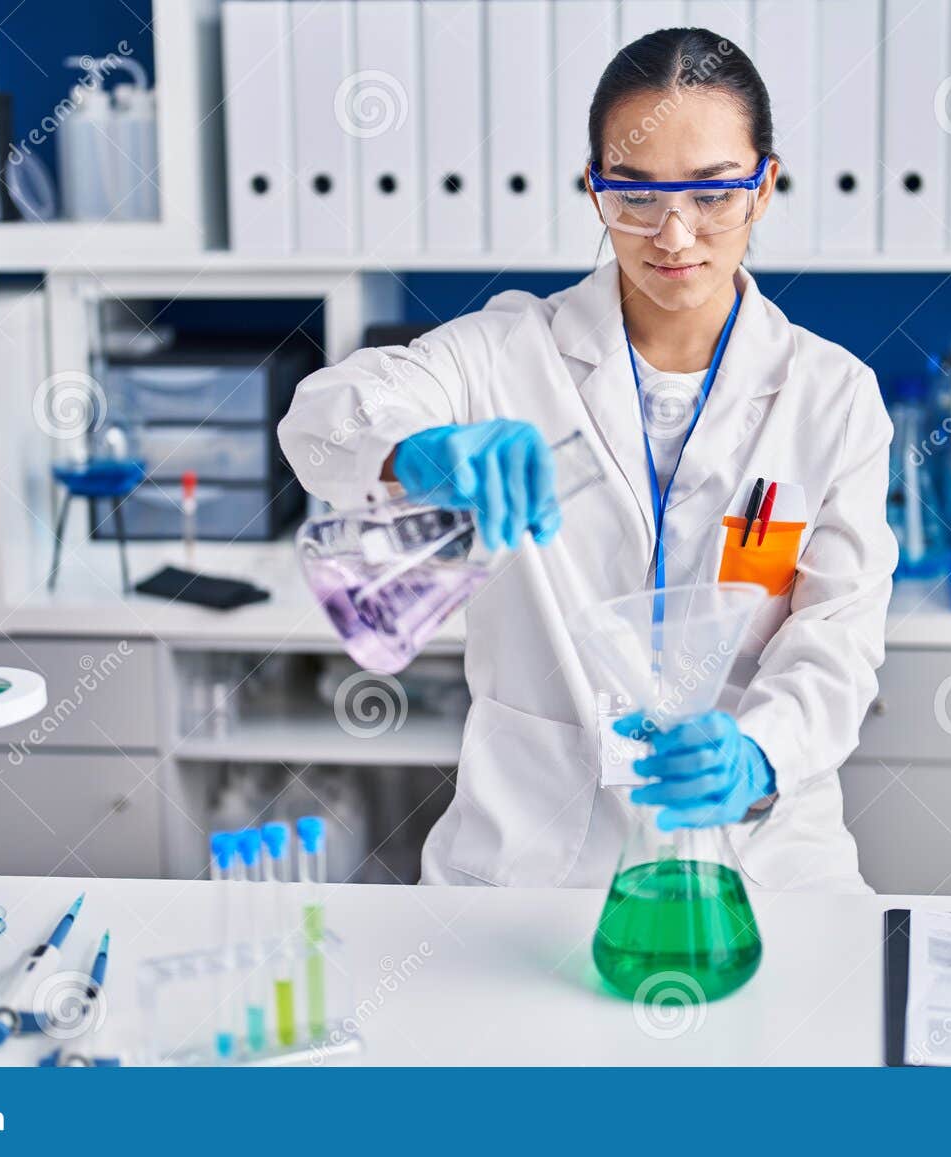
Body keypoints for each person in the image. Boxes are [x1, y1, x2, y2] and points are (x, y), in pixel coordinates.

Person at [278, 28, 896, 892]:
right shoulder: (503, 352)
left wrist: (759, 752)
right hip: (529, 860)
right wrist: (419, 450)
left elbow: (838, 637)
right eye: (635, 195)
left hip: (762, 862)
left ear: (764, 188)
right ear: (594, 191)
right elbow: (320, 418)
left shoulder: (833, 396)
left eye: (714, 194)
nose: (674, 233)